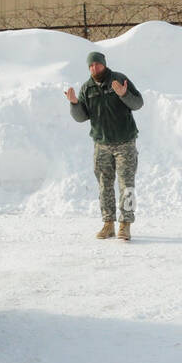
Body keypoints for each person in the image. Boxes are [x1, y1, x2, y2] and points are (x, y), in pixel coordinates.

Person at [65, 50, 144, 240]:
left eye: (97, 64)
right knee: (104, 185)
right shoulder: (87, 88)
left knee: (127, 185)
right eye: (91, 66)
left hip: (125, 142)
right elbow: (81, 117)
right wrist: (75, 103)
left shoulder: (119, 79)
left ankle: (126, 224)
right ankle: (108, 223)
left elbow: (138, 103)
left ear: (104, 64)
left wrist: (125, 94)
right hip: (101, 144)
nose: (94, 68)